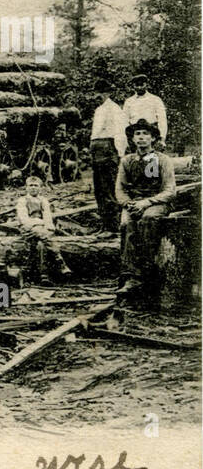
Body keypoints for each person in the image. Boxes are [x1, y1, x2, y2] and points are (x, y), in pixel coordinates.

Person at [115, 120, 176, 302]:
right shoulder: (127, 161)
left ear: (153, 138)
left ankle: (144, 275)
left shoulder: (162, 160)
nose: (141, 137)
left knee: (147, 220)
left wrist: (147, 202)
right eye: (137, 134)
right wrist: (128, 204)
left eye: (145, 134)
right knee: (127, 224)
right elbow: (120, 189)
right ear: (133, 139)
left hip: (156, 203)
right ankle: (129, 276)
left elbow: (170, 190)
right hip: (134, 204)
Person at [89, 79, 128, 235]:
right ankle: (104, 225)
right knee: (99, 189)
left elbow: (120, 133)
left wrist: (118, 154)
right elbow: (95, 133)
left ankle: (113, 226)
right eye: (96, 93)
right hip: (97, 149)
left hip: (108, 150)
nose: (97, 96)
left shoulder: (114, 109)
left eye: (101, 93)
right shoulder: (99, 110)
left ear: (108, 93)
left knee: (108, 188)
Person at [15, 176, 73, 277]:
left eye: (36, 186)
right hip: (28, 228)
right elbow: (24, 218)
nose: (33, 188)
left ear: (40, 188)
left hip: (42, 231)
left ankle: (44, 275)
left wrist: (47, 227)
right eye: (31, 185)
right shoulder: (22, 200)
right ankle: (61, 263)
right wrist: (39, 224)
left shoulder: (43, 200)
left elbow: (47, 217)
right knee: (44, 237)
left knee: (41, 245)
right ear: (26, 188)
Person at [122, 73, 168, 145]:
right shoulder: (129, 101)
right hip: (134, 134)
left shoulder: (155, 99)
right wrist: (127, 138)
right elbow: (124, 121)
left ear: (146, 85)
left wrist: (162, 138)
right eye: (137, 85)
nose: (139, 87)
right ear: (133, 86)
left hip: (151, 133)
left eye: (141, 85)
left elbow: (162, 120)